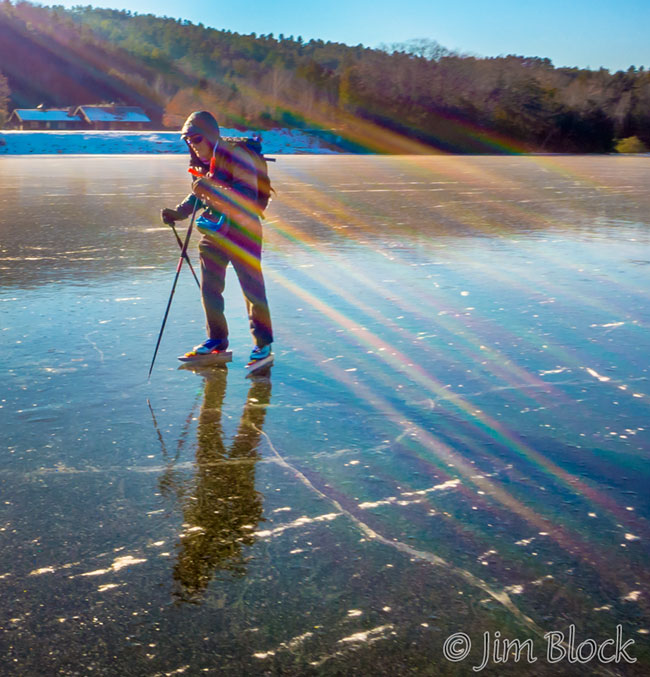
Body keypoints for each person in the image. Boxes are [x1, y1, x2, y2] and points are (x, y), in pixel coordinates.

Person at [161, 110, 273, 363]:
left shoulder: (237, 156)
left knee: (252, 289)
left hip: (244, 231)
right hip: (214, 231)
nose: (192, 145)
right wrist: (179, 213)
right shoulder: (203, 162)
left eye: (196, 139)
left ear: (210, 136)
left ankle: (263, 345)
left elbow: (247, 197)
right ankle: (216, 341)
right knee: (210, 289)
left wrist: (213, 188)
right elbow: (198, 193)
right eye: (188, 141)